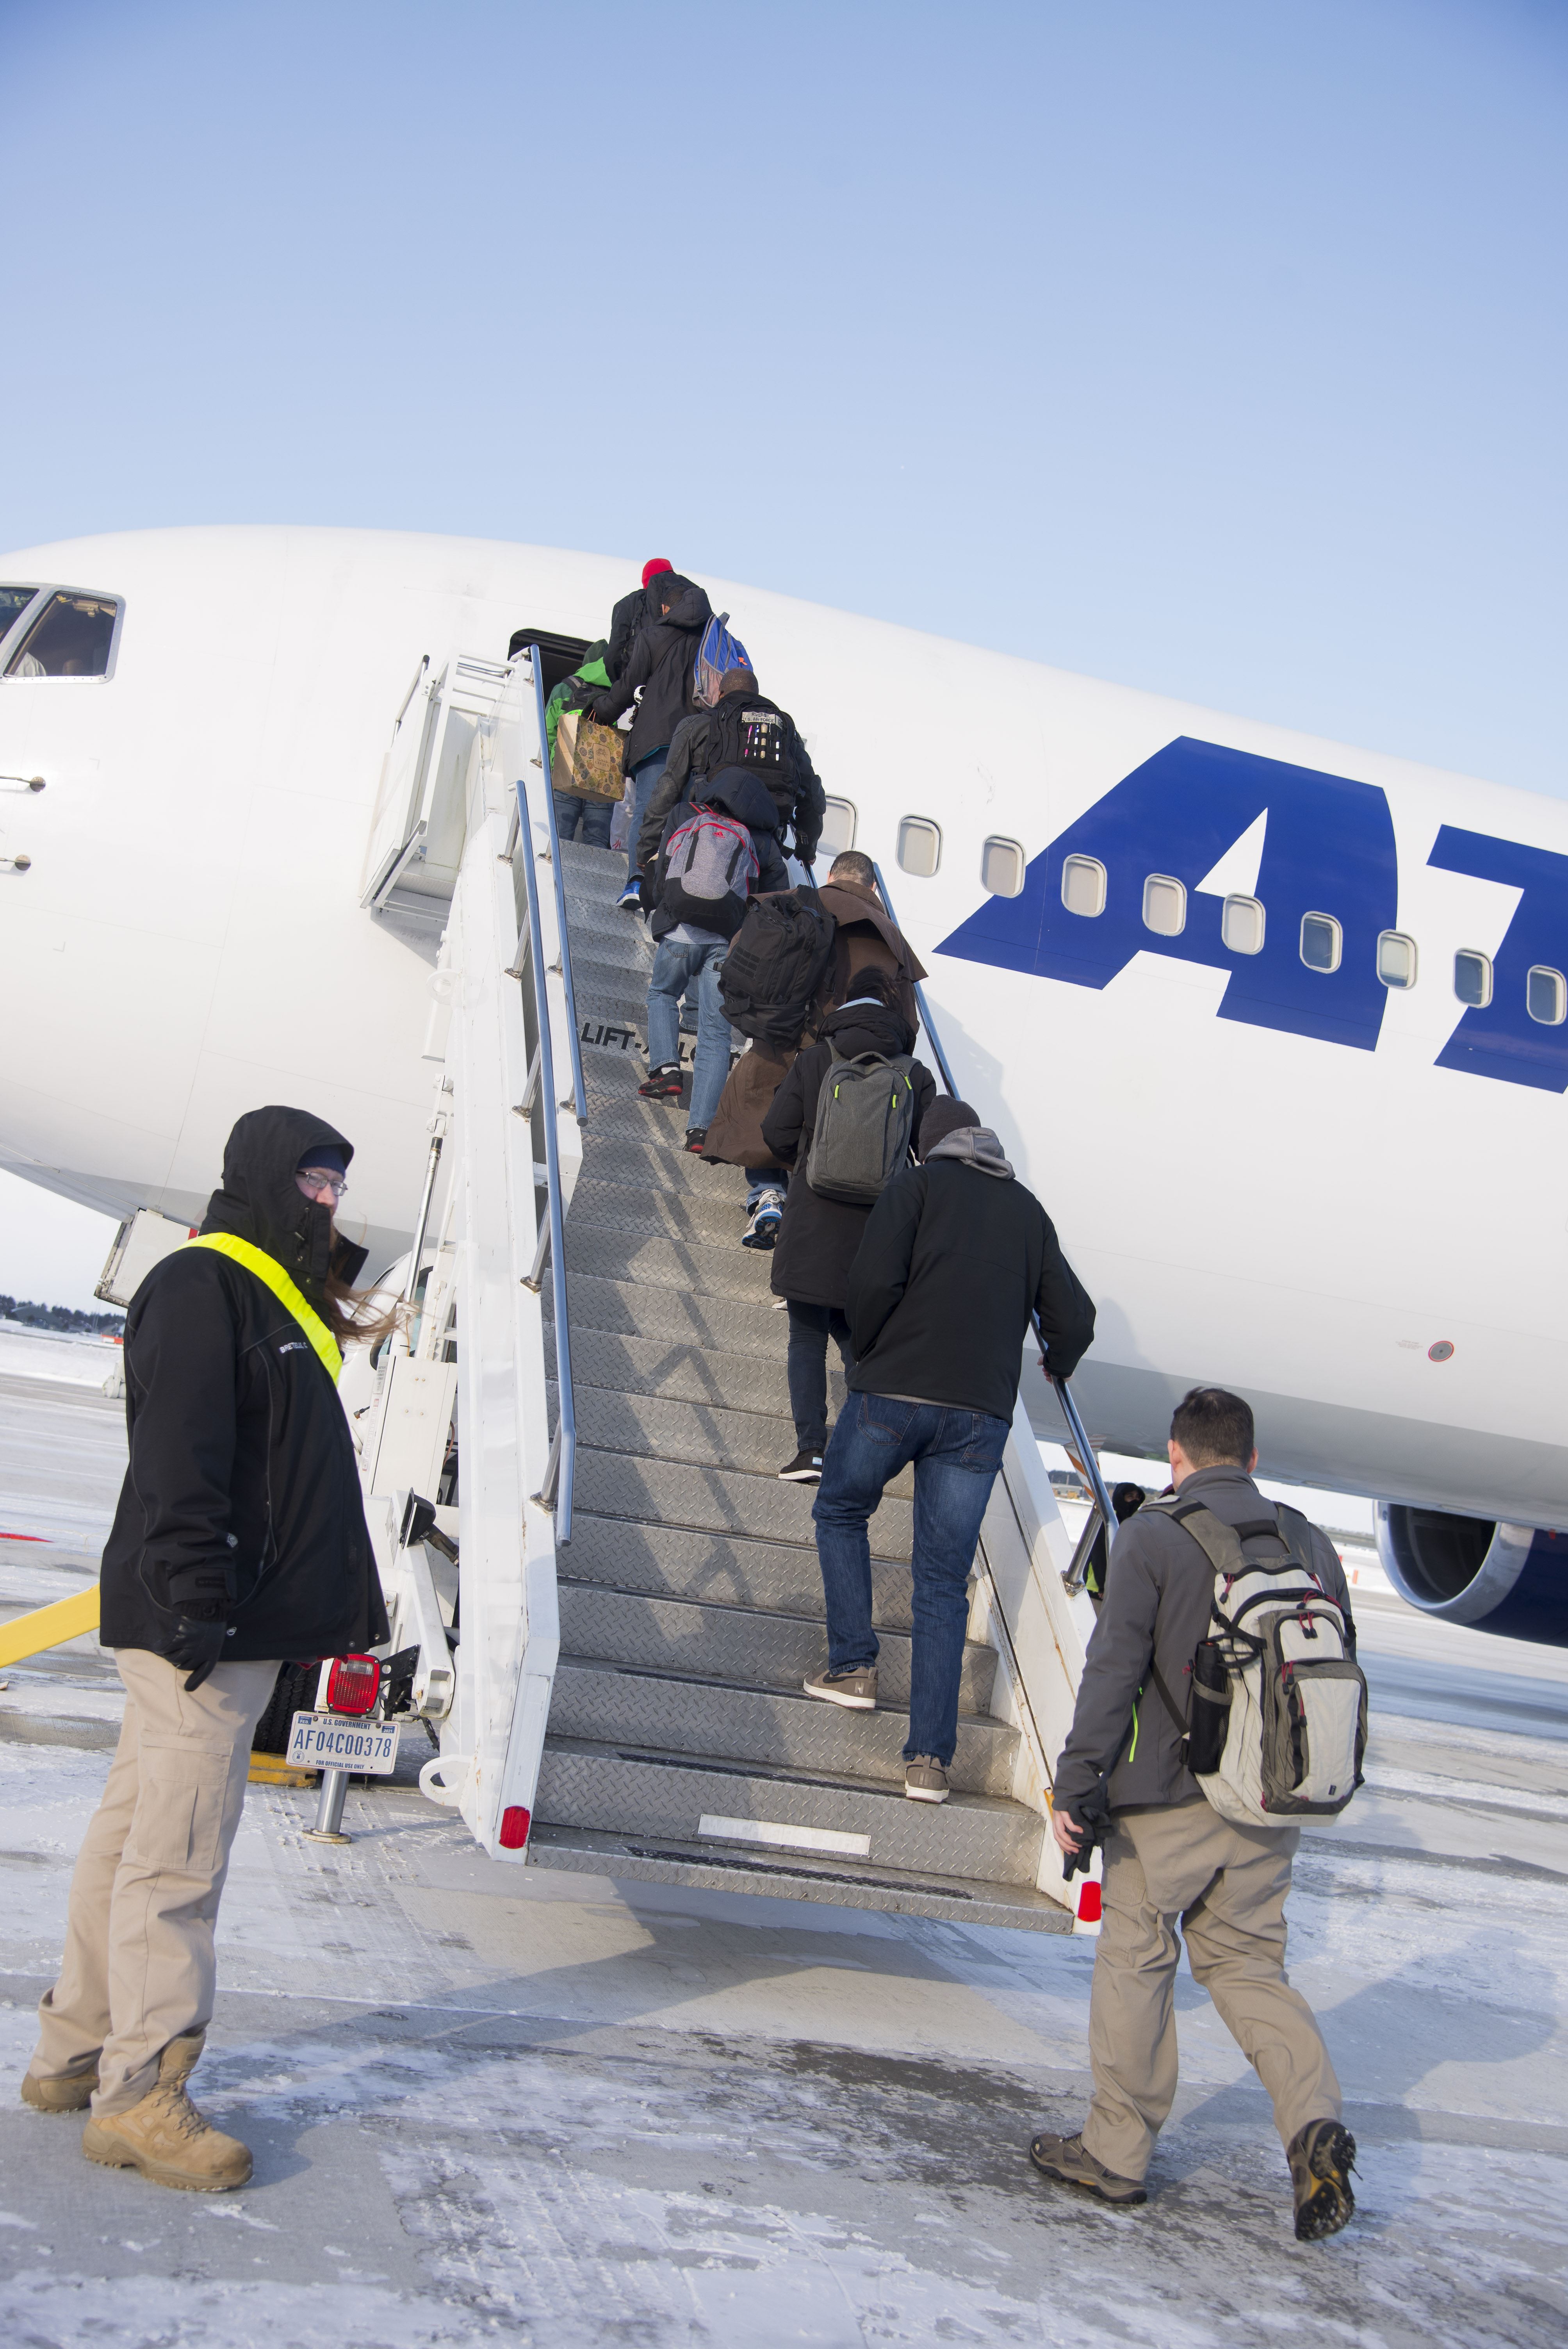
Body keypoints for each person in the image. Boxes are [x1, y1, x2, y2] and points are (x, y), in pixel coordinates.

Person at [21, 1107, 391, 2192]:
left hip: (222, 1620)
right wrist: (195, 1611)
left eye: (336, 1183)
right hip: (204, 1626)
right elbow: (179, 1460)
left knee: (134, 1835)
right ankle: (142, 2096)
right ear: (266, 1178)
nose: (328, 1201)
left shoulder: (265, 1291)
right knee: (179, 1863)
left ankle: (75, 2052)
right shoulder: (203, 1286)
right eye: (313, 1180)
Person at [1031, 1386, 1359, 2243]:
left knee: (1137, 1956)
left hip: (1164, 1804)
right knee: (1249, 1968)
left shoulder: (1149, 1535)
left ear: (1175, 1456)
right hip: (1267, 1804)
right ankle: (1312, 2124)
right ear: (1250, 1459)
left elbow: (1112, 1673)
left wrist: (1076, 1784)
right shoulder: (1309, 1541)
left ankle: (1116, 2151)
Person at [805, 1099, 1094, 1803]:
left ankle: (854, 1665)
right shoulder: (1028, 1213)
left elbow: (872, 1283)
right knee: (942, 1581)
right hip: (977, 1418)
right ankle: (929, 1762)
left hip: (894, 1395)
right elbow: (1075, 1318)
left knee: (841, 1510)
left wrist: (870, 1353)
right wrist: (1058, 1358)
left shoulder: (917, 1186)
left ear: (923, 1146)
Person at [760, 971, 936, 1478]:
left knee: (807, 1336)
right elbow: (931, 1151)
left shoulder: (817, 1059)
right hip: (877, 1235)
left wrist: (810, 1163)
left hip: (812, 1224)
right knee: (859, 1340)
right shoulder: (914, 1074)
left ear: (846, 1005)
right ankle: (869, 1448)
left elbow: (776, 1130)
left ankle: (811, 1450)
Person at [706, 850, 923, 1252]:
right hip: (839, 1057)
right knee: (819, 1136)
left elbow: (738, 954)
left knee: (763, 1116)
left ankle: (767, 1195)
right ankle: (801, 1229)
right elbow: (906, 1021)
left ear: (830, 874)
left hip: (778, 1038)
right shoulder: (889, 936)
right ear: (872, 886)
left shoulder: (789, 900)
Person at [639, 770, 789, 1151]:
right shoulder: (760, 840)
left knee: (661, 994)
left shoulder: (686, 815)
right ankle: (701, 1130)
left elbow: (662, 868)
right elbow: (775, 896)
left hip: (679, 932)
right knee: (715, 1034)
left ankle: (666, 1068)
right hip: (725, 943)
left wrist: (660, 910)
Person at [586, 570, 713, 909]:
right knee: (686, 820)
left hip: (659, 741)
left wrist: (599, 710)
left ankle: (637, 883)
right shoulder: (714, 644)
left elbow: (627, 688)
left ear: (664, 606)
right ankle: (673, 895)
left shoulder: (653, 636)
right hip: (701, 747)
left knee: (646, 812)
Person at [636, 663, 825, 880]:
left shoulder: (697, 725)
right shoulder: (783, 730)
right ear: (756, 695)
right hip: (764, 846)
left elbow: (668, 788)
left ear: (720, 694)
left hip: (707, 838)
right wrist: (807, 849)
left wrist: (647, 847)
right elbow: (812, 791)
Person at [545, 638, 615, 848]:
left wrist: (552, 766)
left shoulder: (565, 688)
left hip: (566, 767)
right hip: (603, 773)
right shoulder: (621, 693)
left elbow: (548, 732)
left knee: (560, 839)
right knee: (597, 842)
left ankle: (555, 880)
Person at [606, 557, 675, 683]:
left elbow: (613, 657)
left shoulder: (628, 604)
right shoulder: (687, 602)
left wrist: (621, 687)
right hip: (678, 690)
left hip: (637, 690)